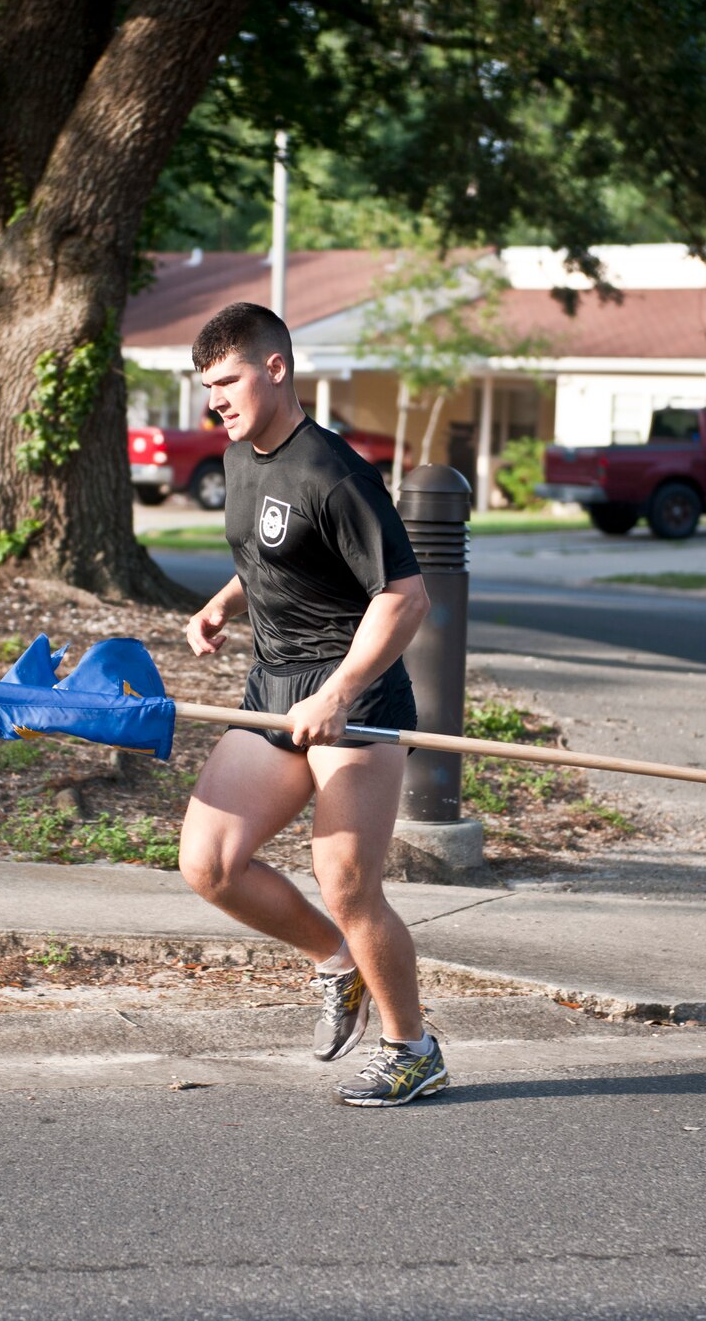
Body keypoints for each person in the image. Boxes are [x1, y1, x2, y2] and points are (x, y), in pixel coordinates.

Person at [176, 301, 443, 1107]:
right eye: (207, 386)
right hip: (276, 686)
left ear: (276, 367)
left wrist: (340, 691)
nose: (215, 401)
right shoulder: (241, 455)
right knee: (209, 863)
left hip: (354, 696)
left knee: (348, 881)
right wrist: (225, 600)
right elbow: (272, 551)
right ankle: (337, 961)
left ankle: (413, 1049)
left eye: (227, 382)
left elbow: (405, 596)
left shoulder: (334, 472)